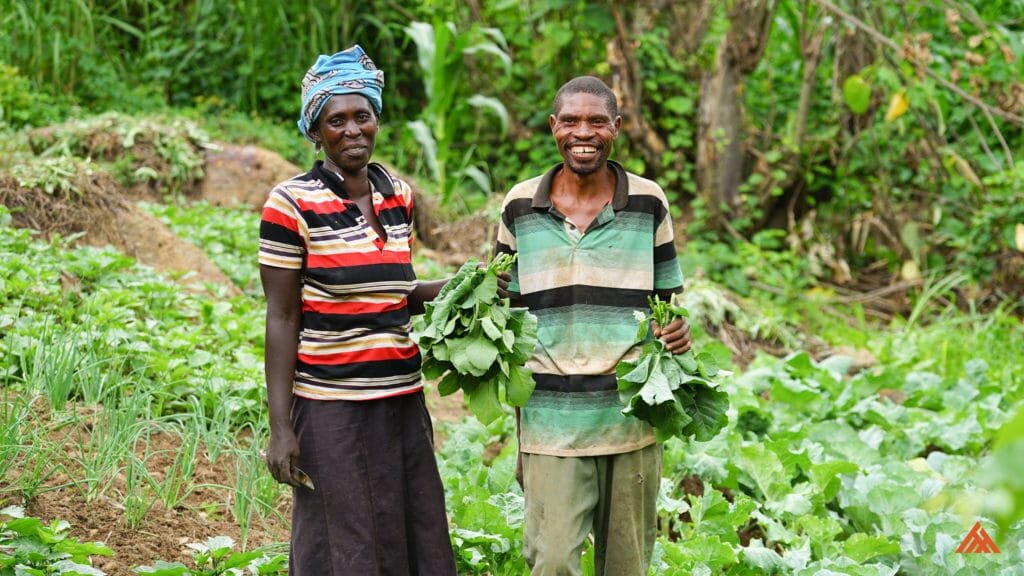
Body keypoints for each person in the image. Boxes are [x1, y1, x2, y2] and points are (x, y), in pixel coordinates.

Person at [259, 45, 457, 575]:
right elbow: (281, 318)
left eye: (361, 116)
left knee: (411, 527)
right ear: (314, 131)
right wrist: (281, 428)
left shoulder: (399, 195)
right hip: (330, 406)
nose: (352, 130)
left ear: (377, 119)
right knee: (342, 539)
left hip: (401, 399)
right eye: (336, 120)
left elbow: (399, 292)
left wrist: (466, 286)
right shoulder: (291, 203)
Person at [493, 76, 692, 576]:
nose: (585, 132)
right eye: (573, 121)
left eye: (597, 121)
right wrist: (522, 441)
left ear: (617, 128)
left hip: (630, 422)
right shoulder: (520, 207)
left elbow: (669, 304)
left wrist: (678, 332)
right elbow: (503, 323)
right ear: (553, 128)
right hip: (551, 422)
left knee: (625, 566)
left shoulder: (649, 203)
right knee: (553, 562)